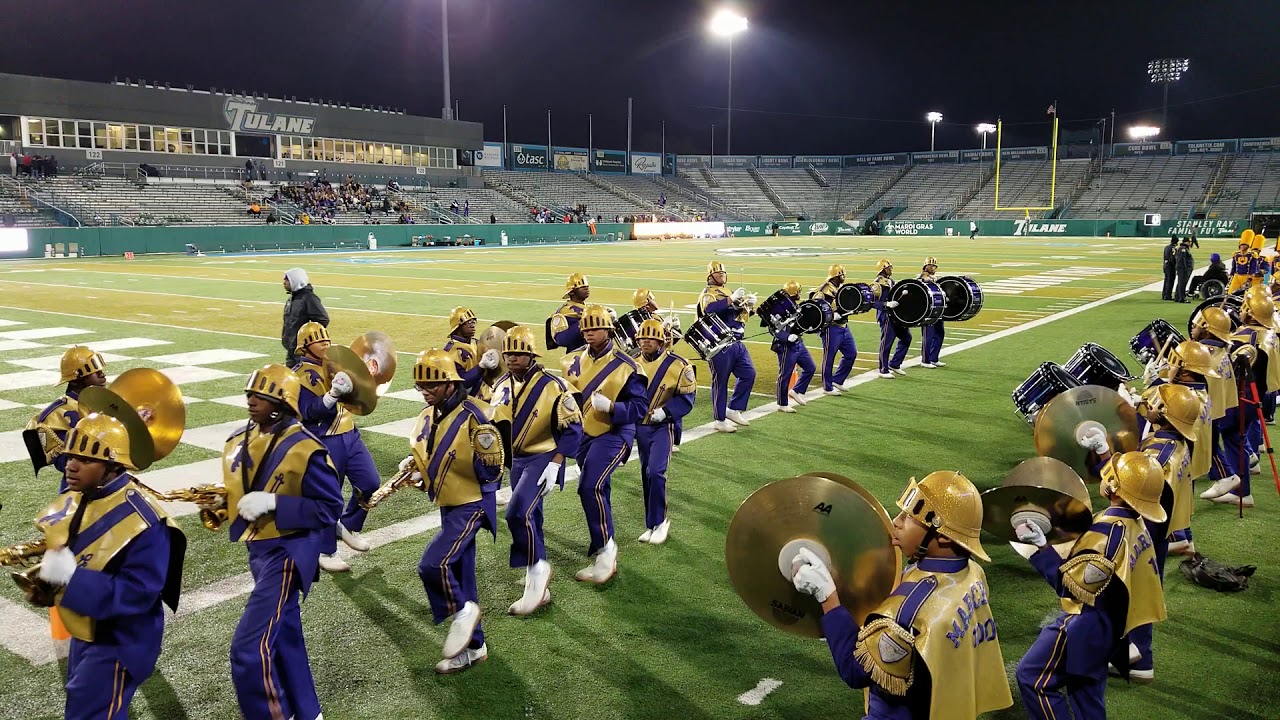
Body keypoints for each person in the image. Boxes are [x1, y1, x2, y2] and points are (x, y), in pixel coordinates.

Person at [790, 471, 1013, 719]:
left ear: (942, 537)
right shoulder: (973, 573)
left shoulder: (908, 614)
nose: (896, 522)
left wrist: (827, 596)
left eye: (909, 518)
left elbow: (855, 670)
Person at [23, 413, 185, 720]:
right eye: (71, 456)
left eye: (85, 459)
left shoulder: (145, 520)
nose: (71, 465)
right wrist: (51, 589)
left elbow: (138, 593)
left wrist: (68, 579)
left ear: (113, 466)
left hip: (120, 641)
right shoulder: (82, 497)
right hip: (87, 628)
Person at [223, 365, 343, 720]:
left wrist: (276, 503)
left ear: (281, 402)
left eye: (260, 396)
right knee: (286, 638)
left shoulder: (306, 447)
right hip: (259, 549)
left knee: (248, 648)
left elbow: (329, 508)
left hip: (289, 553)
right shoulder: (241, 438)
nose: (250, 401)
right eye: (249, 394)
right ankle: (309, 712)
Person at [1014, 452, 1167, 717]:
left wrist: (1040, 548)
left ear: (1115, 488)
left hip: (1086, 624)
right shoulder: (1138, 526)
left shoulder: (1107, 534)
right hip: (1112, 628)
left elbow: (1072, 586)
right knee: (1086, 697)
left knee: (1032, 677)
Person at [1080, 384, 1203, 682]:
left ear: (1164, 414)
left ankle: (1123, 651)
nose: (1151, 401)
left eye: (1157, 402)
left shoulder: (1158, 453)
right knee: (1144, 588)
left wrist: (1103, 453)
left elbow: (1131, 481)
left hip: (1142, 525)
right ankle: (1140, 657)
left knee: (1118, 590)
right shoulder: (1176, 441)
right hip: (1156, 526)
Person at [400, 349, 505, 673]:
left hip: (471, 503)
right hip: (448, 503)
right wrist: (417, 468)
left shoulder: (476, 413)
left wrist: (481, 459)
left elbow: (492, 470)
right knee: (461, 575)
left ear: (450, 383)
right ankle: (475, 647)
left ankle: (462, 612)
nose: (425, 391)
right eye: (421, 386)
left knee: (433, 564)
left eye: (431, 385)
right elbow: (432, 453)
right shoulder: (429, 414)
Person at [487, 327, 582, 615]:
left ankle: (539, 568)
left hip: (542, 457)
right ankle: (536, 577)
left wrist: (557, 461)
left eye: (518, 353)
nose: (512, 358)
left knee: (517, 512)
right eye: (509, 353)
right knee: (532, 517)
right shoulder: (501, 384)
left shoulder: (553, 385)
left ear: (530, 355)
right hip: (517, 461)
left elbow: (574, 429)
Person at [561, 305, 647, 583]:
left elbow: (640, 407)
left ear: (609, 330)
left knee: (590, 485)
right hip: (584, 435)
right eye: (585, 328)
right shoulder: (571, 361)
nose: (588, 333)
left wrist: (613, 407)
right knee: (599, 488)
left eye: (594, 328)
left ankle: (606, 551)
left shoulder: (628, 365)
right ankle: (603, 541)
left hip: (615, 432)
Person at [292, 322, 381, 573]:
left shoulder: (335, 364)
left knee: (371, 483)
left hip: (349, 433)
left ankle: (348, 524)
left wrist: (367, 380)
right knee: (329, 497)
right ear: (305, 345)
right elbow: (308, 412)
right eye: (318, 340)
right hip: (324, 438)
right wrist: (331, 395)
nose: (325, 343)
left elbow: (356, 399)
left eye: (326, 339)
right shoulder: (299, 374)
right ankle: (325, 550)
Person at [1202, 288, 1280, 507]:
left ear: (1252, 313)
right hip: (1261, 393)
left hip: (1241, 395)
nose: (1241, 310)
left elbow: (1225, 364)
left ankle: (1234, 484)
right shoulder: (1270, 333)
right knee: (1236, 438)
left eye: (1245, 308)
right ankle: (1242, 485)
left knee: (1223, 435)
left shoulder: (1247, 337)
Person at [632, 318, 696, 543]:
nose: (645, 342)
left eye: (651, 338)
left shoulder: (678, 364)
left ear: (662, 341)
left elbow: (687, 398)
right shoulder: (631, 362)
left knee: (656, 472)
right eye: (642, 338)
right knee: (645, 473)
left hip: (662, 426)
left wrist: (666, 412)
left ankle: (660, 521)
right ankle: (651, 524)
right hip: (640, 427)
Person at [25, 346, 109, 489]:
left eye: (101, 371)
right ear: (76, 380)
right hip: (80, 490)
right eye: (95, 372)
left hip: (112, 482)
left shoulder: (107, 404)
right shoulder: (55, 416)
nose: (103, 375)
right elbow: (65, 462)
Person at [699, 260, 757, 432]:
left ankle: (733, 409)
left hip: (737, 341)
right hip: (719, 343)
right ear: (710, 275)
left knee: (749, 373)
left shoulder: (728, 291)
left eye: (723, 273)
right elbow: (709, 310)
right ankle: (719, 419)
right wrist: (731, 299)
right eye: (718, 273)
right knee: (721, 381)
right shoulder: (708, 293)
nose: (722, 275)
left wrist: (749, 307)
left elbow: (738, 316)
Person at [813, 264, 858, 394]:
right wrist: (832, 316)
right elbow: (818, 309)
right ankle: (827, 387)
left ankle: (837, 380)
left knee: (851, 353)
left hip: (843, 326)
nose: (844, 276)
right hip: (831, 328)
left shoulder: (838, 288)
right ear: (837, 274)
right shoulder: (824, 290)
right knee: (829, 357)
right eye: (842, 274)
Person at [773, 280, 816, 411]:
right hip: (786, 345)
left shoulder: (794, 305)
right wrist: (786, 337)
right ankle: (782, 403)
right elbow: (773, 328)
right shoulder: (779, 308)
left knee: (810, 367)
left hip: (798, 343)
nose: (799, 294)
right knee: (785, 374)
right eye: (798, 291)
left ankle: (796, 391)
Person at [444, 306, 499, 397]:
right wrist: (481, 367)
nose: (472, 325)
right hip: (466, 397)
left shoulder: (476, 342)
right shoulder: (451, 351)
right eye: (469, 323)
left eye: (473, 322)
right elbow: (462, 383)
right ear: (458, 326)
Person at [281, 268, 329, 367]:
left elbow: (323, 319)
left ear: (295, 280)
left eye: (287, 280)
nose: (284, 283)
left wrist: (309, 338)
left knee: (303, 379)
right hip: (292, 350)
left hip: (303, 352)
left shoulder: (309, 298)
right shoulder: (292, 299)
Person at [871, 259, 910, 378]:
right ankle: (883, 369)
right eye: (889, 267)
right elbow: (871, 301)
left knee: (906, 338)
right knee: (886, 343)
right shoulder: (878, 283)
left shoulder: (890, 281)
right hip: (886, 315)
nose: (891, 269)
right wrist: (885, 305)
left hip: (896, 315)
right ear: (883, 269)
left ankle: (895, 363)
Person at [549, 273, 591, 352]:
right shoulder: (563, 312)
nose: (587, 288)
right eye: (582, 287)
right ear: (571, 292)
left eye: (587, 286)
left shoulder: (588, 308)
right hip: (576, 356)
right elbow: (561, 340)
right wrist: (582, 323)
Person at [919, 256, 947, 368]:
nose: (933, 267)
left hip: (937, 310)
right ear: (925, 266)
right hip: (928, 312)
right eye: (931, 265)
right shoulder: (922, 278)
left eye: (934, 265)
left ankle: (934, 358)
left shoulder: (935, 278)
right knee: (928, 335)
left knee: (940, 333)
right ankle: (925, 360)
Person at [1173, 237, 1194, 303]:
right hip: (1183, 269)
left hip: (1183, 269)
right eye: (1189, 242)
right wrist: (1185, 269)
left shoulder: (1184, 248)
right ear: (1186, 242)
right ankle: (1181, 298)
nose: (1190, 243)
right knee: (1182, 283)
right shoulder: (1183, 249)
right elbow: (1182, 260)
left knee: (1180, 283)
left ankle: (1177, 297)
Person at [1161, 236, 1177, 301]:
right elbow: (1172, 258)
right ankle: (1168, 295)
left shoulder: (1166, 247)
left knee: (1166, 280)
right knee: (1170, 281)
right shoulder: (1173, 248)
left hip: (1165, 265)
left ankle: (1164, 294)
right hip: (1171, 266)